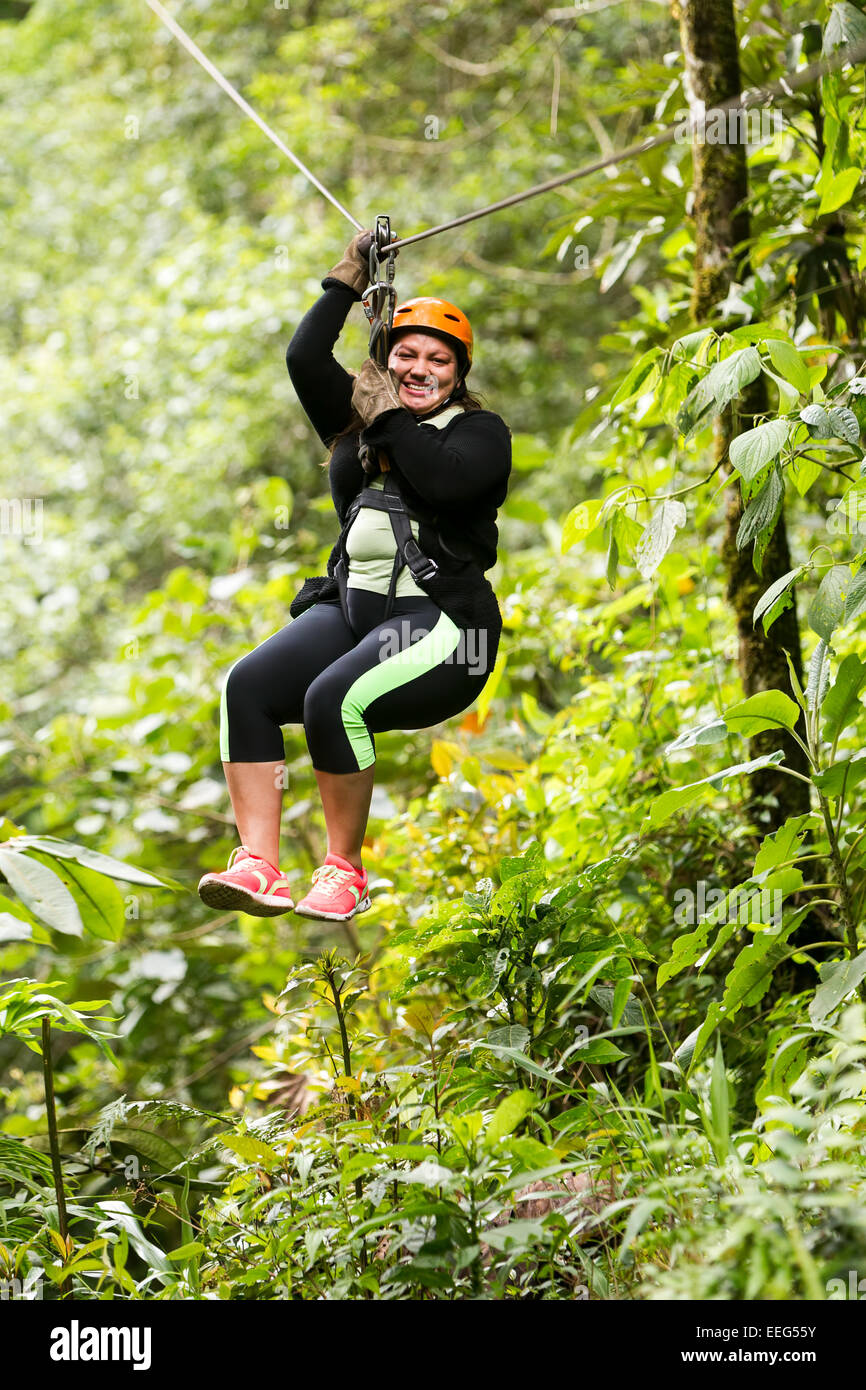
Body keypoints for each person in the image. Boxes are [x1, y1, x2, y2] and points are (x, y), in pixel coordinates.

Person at [197, 229, 511, 921]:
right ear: (386, 357)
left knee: (331, 699)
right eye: (406, 354)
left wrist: (387, 415)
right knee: (245, 687)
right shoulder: (357, 417)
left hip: (444, 628)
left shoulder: (480, 434)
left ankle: (344, 871)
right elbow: (304, 356)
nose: (420, 367)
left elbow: (445, 484)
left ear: (458, 374)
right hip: (353, 609)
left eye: (438, 359)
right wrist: (347, 276)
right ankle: (260, 866)